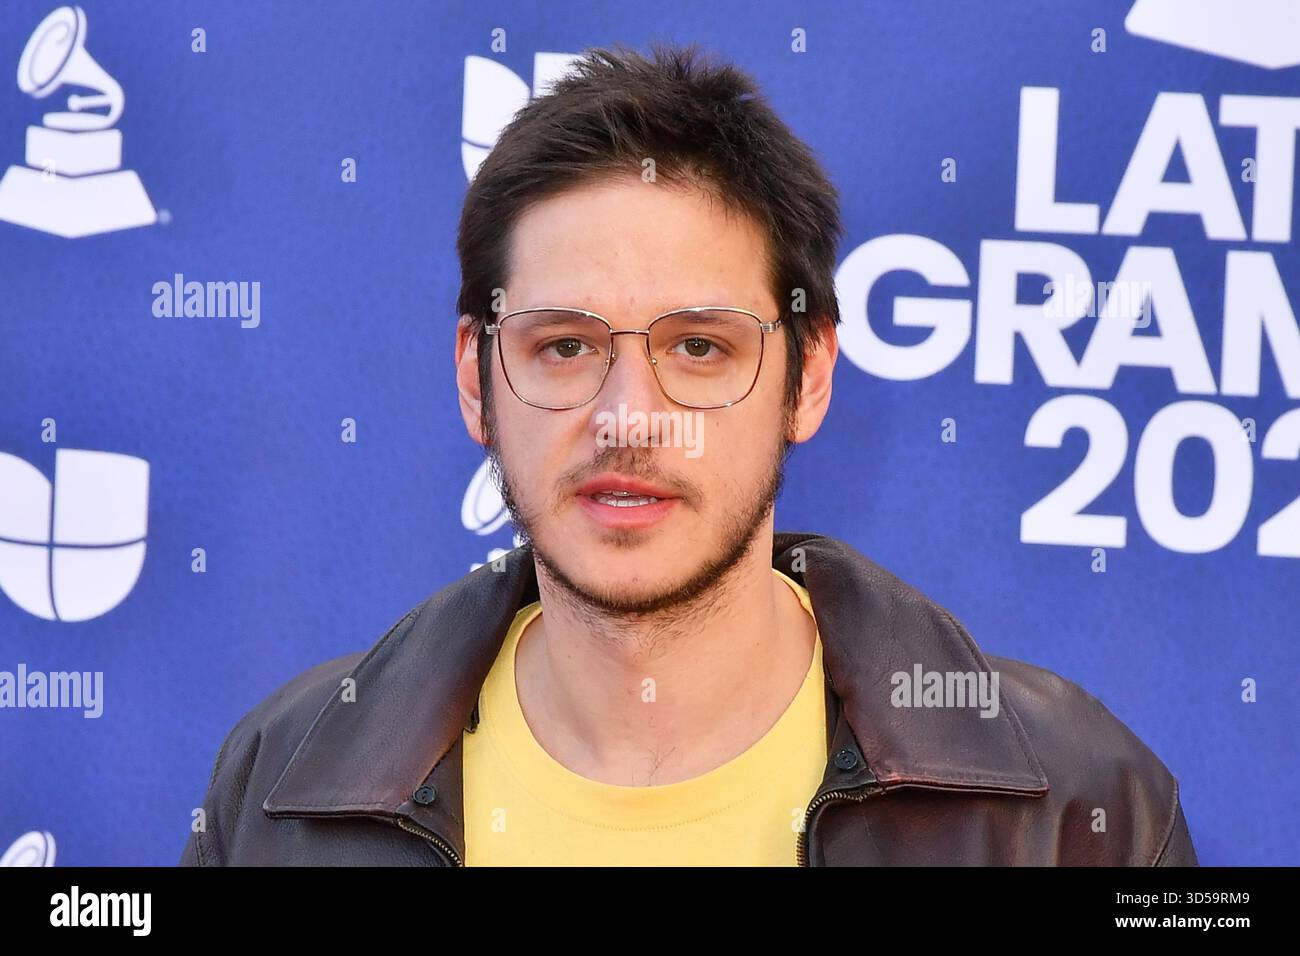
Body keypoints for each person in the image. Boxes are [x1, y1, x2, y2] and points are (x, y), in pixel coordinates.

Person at [179, 42, 1197, 866]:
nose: (628, 417)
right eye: (565, 345)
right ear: (473, 377)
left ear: (807, 378)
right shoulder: (282, 791)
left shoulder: (1072, 808)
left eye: (699, 347)